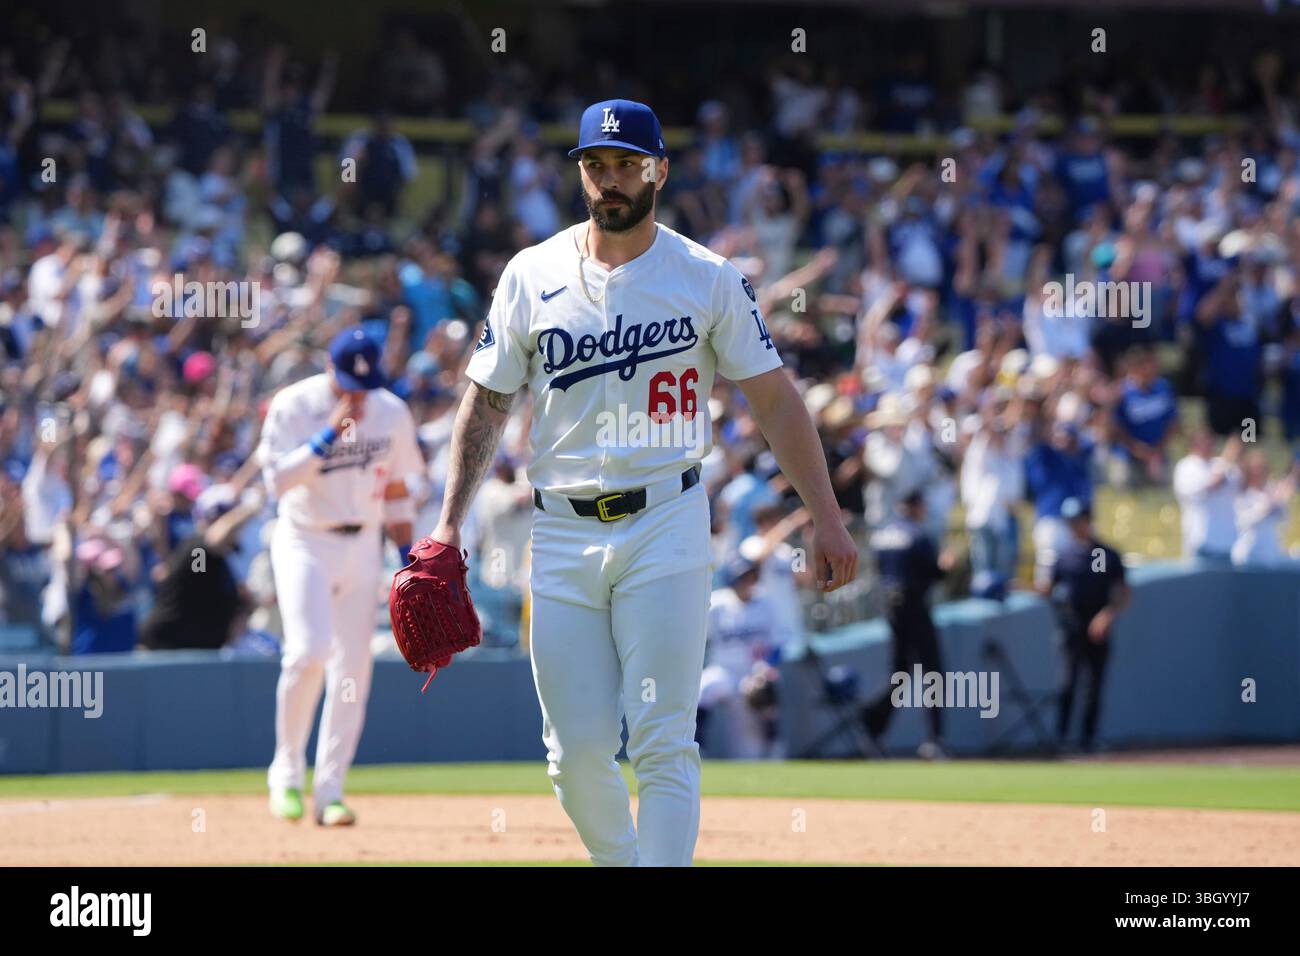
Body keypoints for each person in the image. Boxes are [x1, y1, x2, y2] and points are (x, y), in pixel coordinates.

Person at [425, 99, 858, 866]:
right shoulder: (532, 274)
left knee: (663, 739)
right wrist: (447, 524)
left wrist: (824, 513)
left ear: (660, 169)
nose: (611, 180)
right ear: (580, 173)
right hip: (559, 528)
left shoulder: (706, 277)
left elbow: (773, 398)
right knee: (575, 755)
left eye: (628, 163)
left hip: (667, 518)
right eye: (597, 164)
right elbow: (487, 401)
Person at [257, 326, 423, 826]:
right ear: (329, 367)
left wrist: (408, 558)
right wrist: (330, 431)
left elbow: (395, 487)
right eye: (349, 380)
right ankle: (286, 774)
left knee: (353, 670)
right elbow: (278, 483)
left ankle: (330, 791)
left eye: (365, 383)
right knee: (308, 652)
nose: (357, 391)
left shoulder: (390, 411)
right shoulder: (294, 405)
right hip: (305, 536)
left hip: (364, 543)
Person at [859, 489, 953, 760]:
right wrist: (946, 566)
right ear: (917, 506)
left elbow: (879, 569)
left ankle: (874, 721)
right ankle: (935, 739)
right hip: (915, 606)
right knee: (933, 672)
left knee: (900, 673)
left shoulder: (883, 534)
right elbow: (934, 574)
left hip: (892, 609)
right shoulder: (918, 534)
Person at [1044, 497, 1130, 753]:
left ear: (1088, 521)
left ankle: (1088, 739)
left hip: (1097, 624)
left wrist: (1107, 615)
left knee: (1093, 684)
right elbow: (1048, 588)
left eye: (1078, 521)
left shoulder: (1103, 554)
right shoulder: (1063, 554)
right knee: (1067, 681)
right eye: (1070, 522)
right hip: (1071, 624)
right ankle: (1060, 739)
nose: (1074, 526)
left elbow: (1122, 591)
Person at [1172, 430, 1240, 561]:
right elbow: (1208, 486)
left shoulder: (1220, 464)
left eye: (1210, 442)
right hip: (1200, 542)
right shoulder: (1186, 467)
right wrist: (1227, 459)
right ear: (1194, 444)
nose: (1209, 445)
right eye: (1205, 442)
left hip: (1228, 543)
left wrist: (1236, 455)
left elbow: (1242, 485)